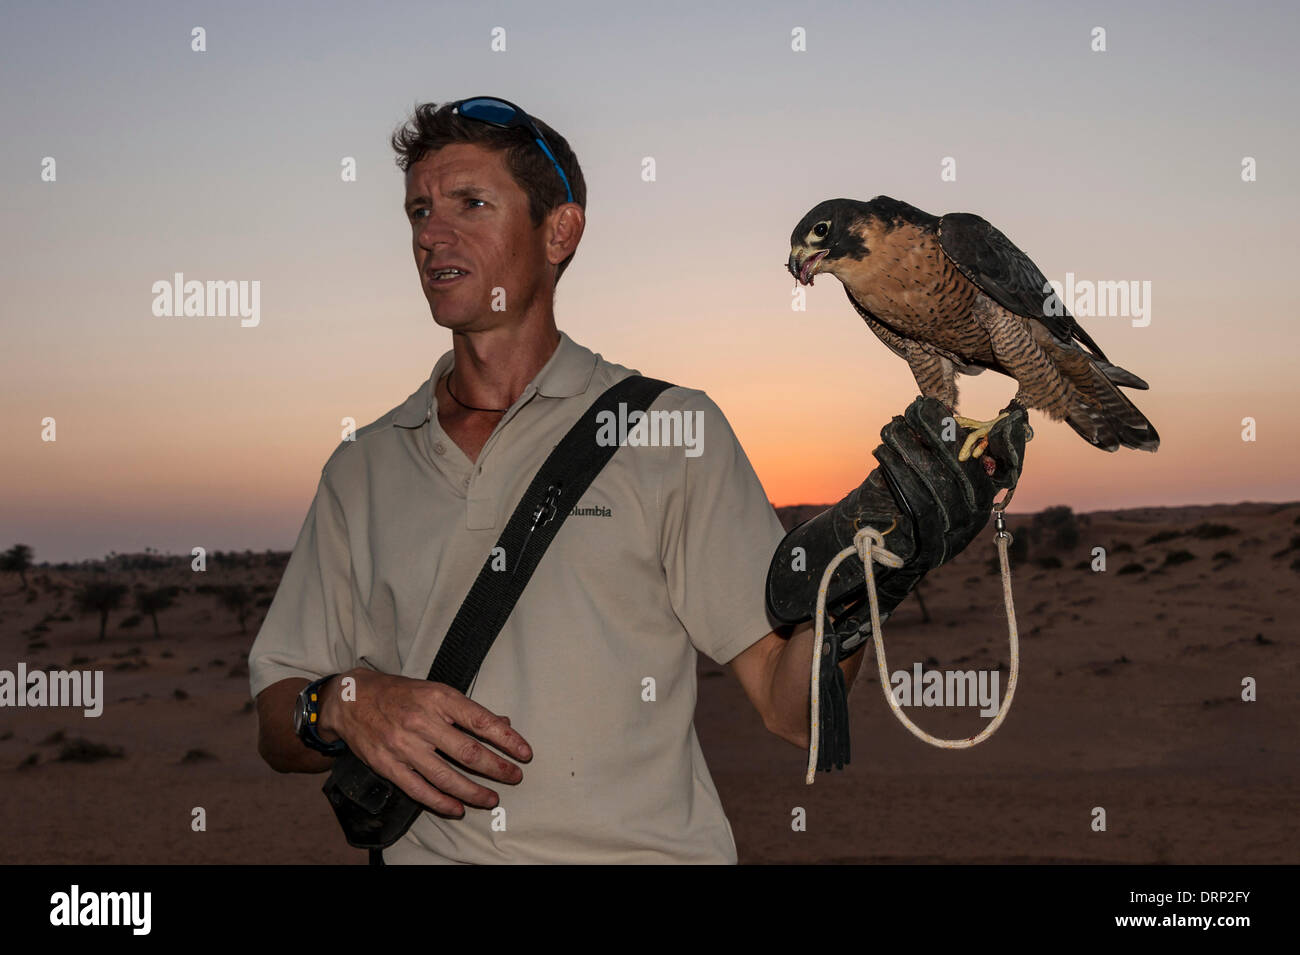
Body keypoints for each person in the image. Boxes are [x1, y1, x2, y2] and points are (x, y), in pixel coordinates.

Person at [249, 97, 1028, 864]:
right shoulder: (365, 464)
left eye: (470, 203)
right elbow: (278, 718)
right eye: (418, 211)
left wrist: (864, 580)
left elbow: (793, 710)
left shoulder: (670, 433)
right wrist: (348, 703)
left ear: (560, 232)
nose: (431, 235)